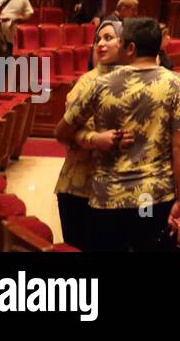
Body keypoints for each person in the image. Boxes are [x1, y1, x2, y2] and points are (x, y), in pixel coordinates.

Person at [56, 17, 180, 252]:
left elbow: (61, 131)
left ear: (130, 48)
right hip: (150, 199)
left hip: (108, 199)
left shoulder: (100, 84)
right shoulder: (178, 84)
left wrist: (92, 138)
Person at [54, 18, 126, 250]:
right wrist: (95, 139)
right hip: (80, 185)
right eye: (98, 39)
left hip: (117, 187)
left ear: (125, 43)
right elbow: (68, 131)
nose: (101, 44)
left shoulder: (134, 80)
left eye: (108, 38)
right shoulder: (87, 82)